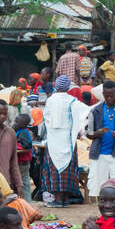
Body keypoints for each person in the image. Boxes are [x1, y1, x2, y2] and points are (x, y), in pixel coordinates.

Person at [41, 76, 82, 208]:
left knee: (54, 168)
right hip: (69, 140)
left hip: (54, 140)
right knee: (67, 169)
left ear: (56, 86)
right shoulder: (73, 100)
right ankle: (64, 199)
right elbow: (78, 119)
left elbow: (46, 119)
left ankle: (57, 199)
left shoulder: (51, 100)